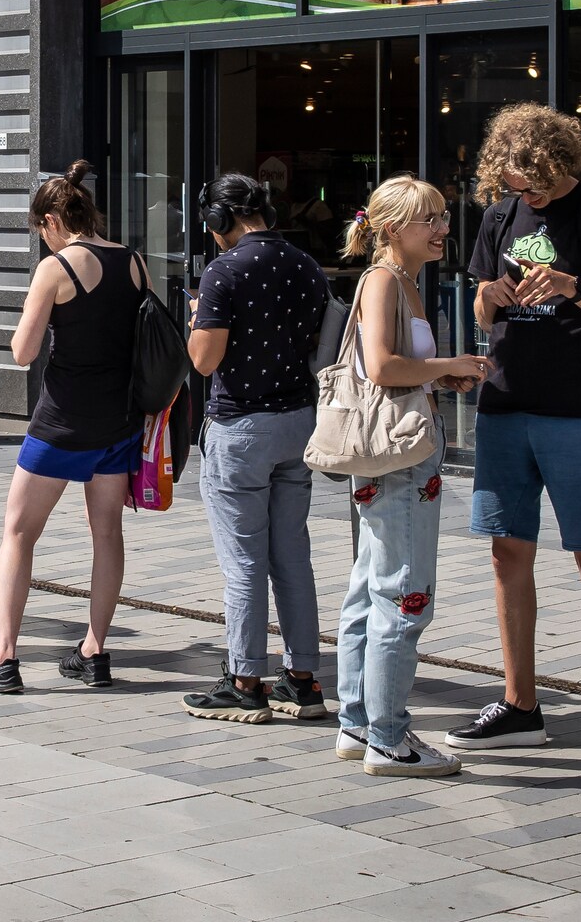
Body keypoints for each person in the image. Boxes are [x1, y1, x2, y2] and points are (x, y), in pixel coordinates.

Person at [454, 104, 581, 776]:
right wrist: (490, 297)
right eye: (513, 187)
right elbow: (481, 307)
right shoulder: (500, 215)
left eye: (532, 186)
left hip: (580, 409)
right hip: (506, 404)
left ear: (558, 163)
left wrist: (572, 286)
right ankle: (520, 705)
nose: (524, 197)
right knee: (507, 553)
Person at [0, 162, 140, 692]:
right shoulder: (132, 262)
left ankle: (5, 658)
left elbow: (22, 351)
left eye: (42, 230)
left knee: (18, 532)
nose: (43, 241)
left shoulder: (56, 268)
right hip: (117, 421)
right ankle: (94, 652)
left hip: (61, 423)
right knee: (107, 533)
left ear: (53, 220)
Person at [335, 176, 487, 777]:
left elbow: (398, 368)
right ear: (395, 229)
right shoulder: (383, 281)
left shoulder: (402, 280)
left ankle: (358, 724)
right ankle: (389, 739)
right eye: (432, 219)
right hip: (399, 457)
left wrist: (438, 376)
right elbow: (380, 366)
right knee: (403, 596)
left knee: (369, 588)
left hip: (397, 455)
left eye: (444, 216)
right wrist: (450, 363)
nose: (444, 228)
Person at [182, 172, 335, 724]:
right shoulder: (305, 264)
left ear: (219, 219)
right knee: (292, 556)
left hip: (241, 427)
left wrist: (198, 318)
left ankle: (245, 682)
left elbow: (204, 361)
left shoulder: (223, 271)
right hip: (299, 423)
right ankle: (302, 680)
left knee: (244, 562)